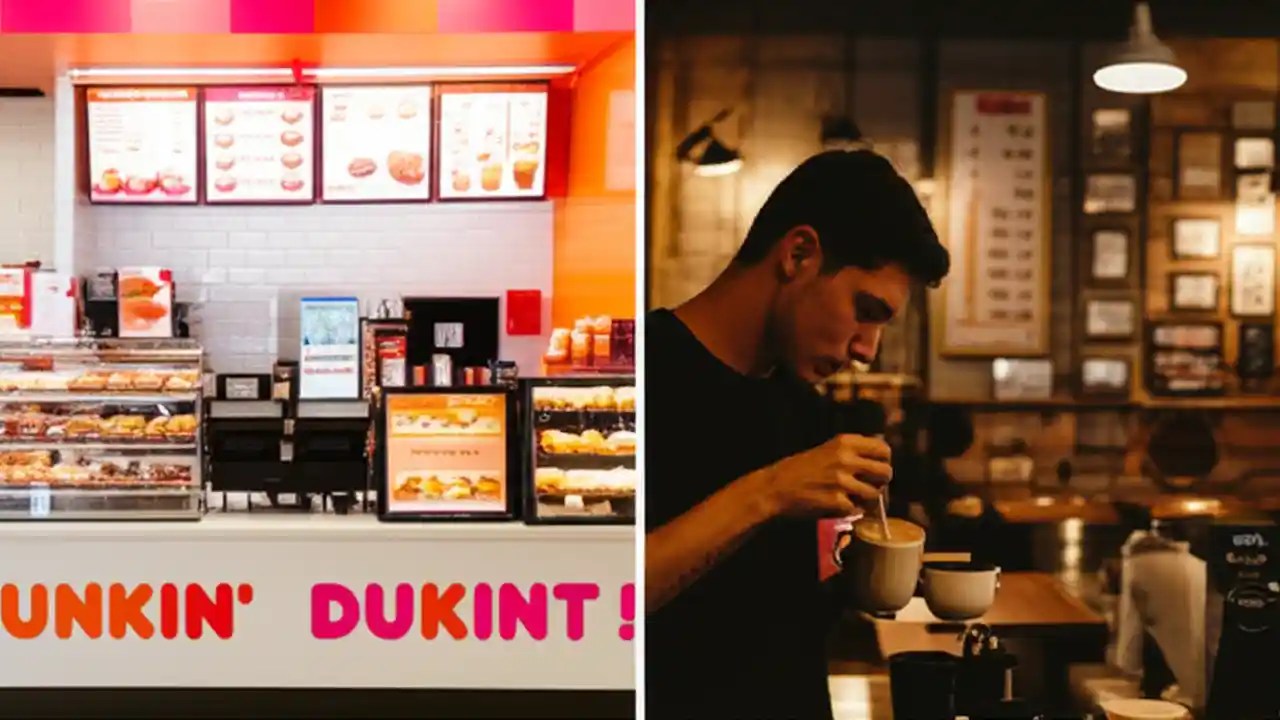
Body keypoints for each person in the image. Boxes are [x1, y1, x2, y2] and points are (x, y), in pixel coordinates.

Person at [645, 150, 950, 719]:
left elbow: (784, 613)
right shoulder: (641, 379)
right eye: (866, 310)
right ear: (799, 254)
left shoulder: (804, 412)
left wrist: (883, 567)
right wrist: (770, 493)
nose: (867, 350)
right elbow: (600, 599)